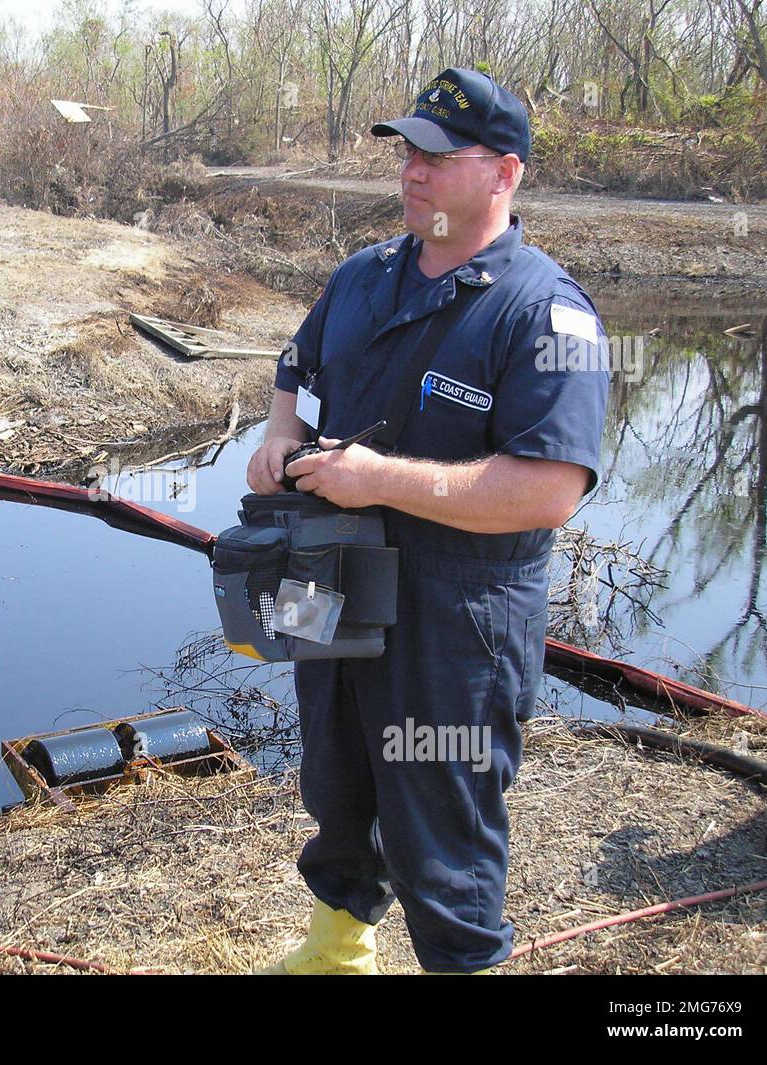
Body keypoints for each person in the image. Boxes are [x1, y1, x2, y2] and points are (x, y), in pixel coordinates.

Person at [247, 67, 611, 974]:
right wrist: (280, 430)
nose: (413, 172)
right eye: (409, 151)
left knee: (440, 824)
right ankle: (337, 946)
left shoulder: (547, 312)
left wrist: (379, 481)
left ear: (506, 173)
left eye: (440, 157)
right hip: (330, 576)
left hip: (457, 614)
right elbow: (296, 369)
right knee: (335, 779)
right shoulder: (363, 275)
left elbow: (548, 489)